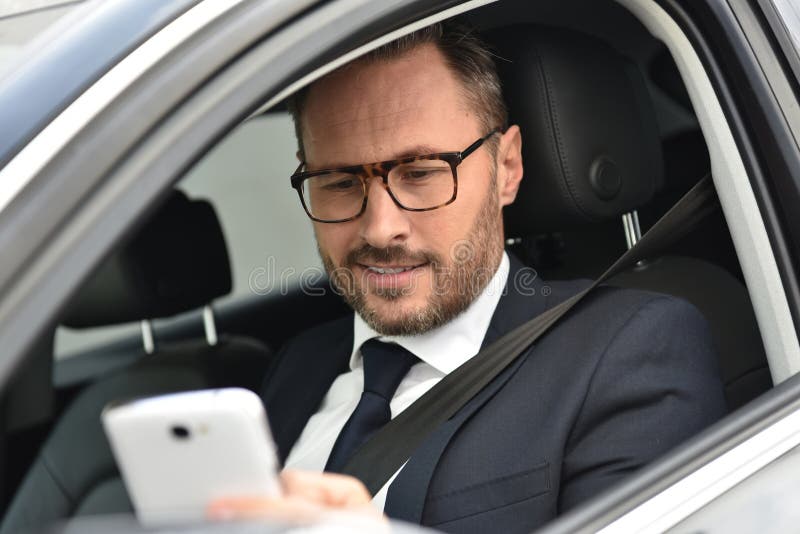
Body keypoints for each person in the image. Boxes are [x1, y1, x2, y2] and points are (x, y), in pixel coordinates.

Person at [211, 21, 727, 533]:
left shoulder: (631, 350)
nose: (380, 228)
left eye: (420, 172)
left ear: (507, 167)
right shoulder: (298, 365)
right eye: (340, 181)